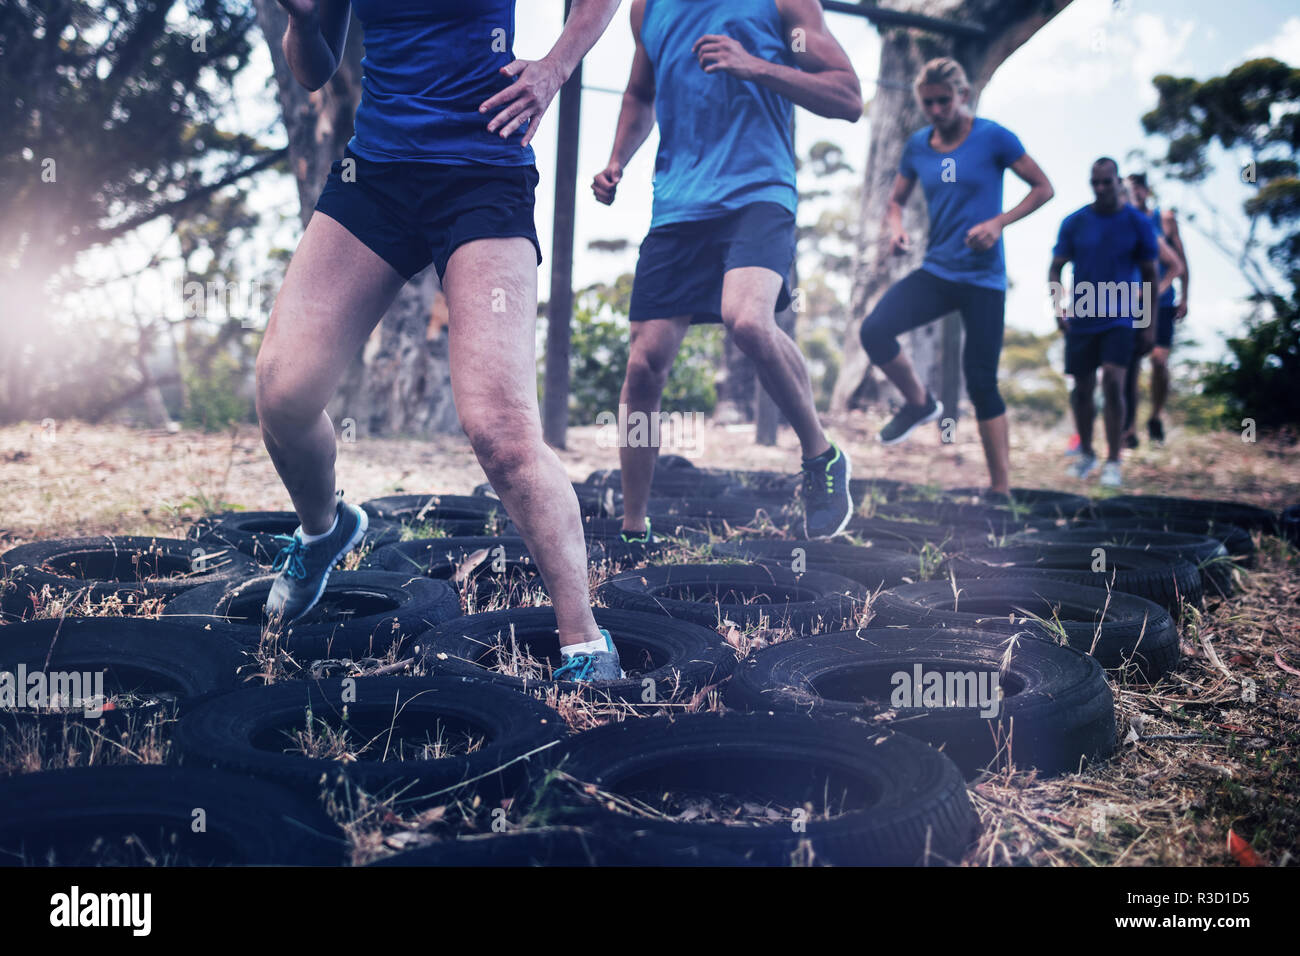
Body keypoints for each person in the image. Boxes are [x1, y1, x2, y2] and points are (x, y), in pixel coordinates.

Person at [257, 0, 626, 680]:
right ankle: (322, 531)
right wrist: (303, 22)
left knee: (502, 433)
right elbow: (314, 71)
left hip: (483, 174)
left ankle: (586, 644)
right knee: (282, 391)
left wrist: (554, 68)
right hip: (377, 175)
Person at [592, 0, 861, 540]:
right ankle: (634, 526)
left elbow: (848, 96)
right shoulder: (646, 9)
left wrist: (755, 64)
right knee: (644, 365)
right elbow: (641, 94)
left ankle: (821, 457)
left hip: (758, 193)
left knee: (747, 320)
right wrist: (618, 156)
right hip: (678, 204)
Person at [857, 57, 1053, 501]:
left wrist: (999, 223)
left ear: (963, 96)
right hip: (938, 270)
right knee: (874, 330)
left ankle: (1001, 490)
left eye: (945, 100)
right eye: (928, 103)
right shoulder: (917, 147)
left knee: (981, 379)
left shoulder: (994, 138)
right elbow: (895, 202)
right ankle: (920, 403)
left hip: (984, 279)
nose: (937, 109)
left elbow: (1043, 187)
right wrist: (897, 230)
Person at [1049, 158, 1165, 488]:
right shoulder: (1074, 222)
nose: (1100, 189)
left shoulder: (1138, 223)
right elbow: (1055, 268)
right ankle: (1086, 452)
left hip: (1121, 318)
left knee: (1113, 383)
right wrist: (1059, 309)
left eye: (1106, 182)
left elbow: (1149, 276)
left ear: (1119, 183)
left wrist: (1148, 324)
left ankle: (1114, 459)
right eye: (1094, 183)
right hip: (1082, 318)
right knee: (1081, 389)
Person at [1123, 171, 1189, 446]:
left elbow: (1180, 263)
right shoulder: (1122, 221)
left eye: (1138, 190)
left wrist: (1184, 296)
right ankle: (1128, 430)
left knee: (1159, 360)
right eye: (1129, 190)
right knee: (1130, 366)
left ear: (1147, 192)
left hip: (1160, 302)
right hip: (1130, 303)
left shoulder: (1164, 219)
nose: (1133, 195)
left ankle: (1156, 417)